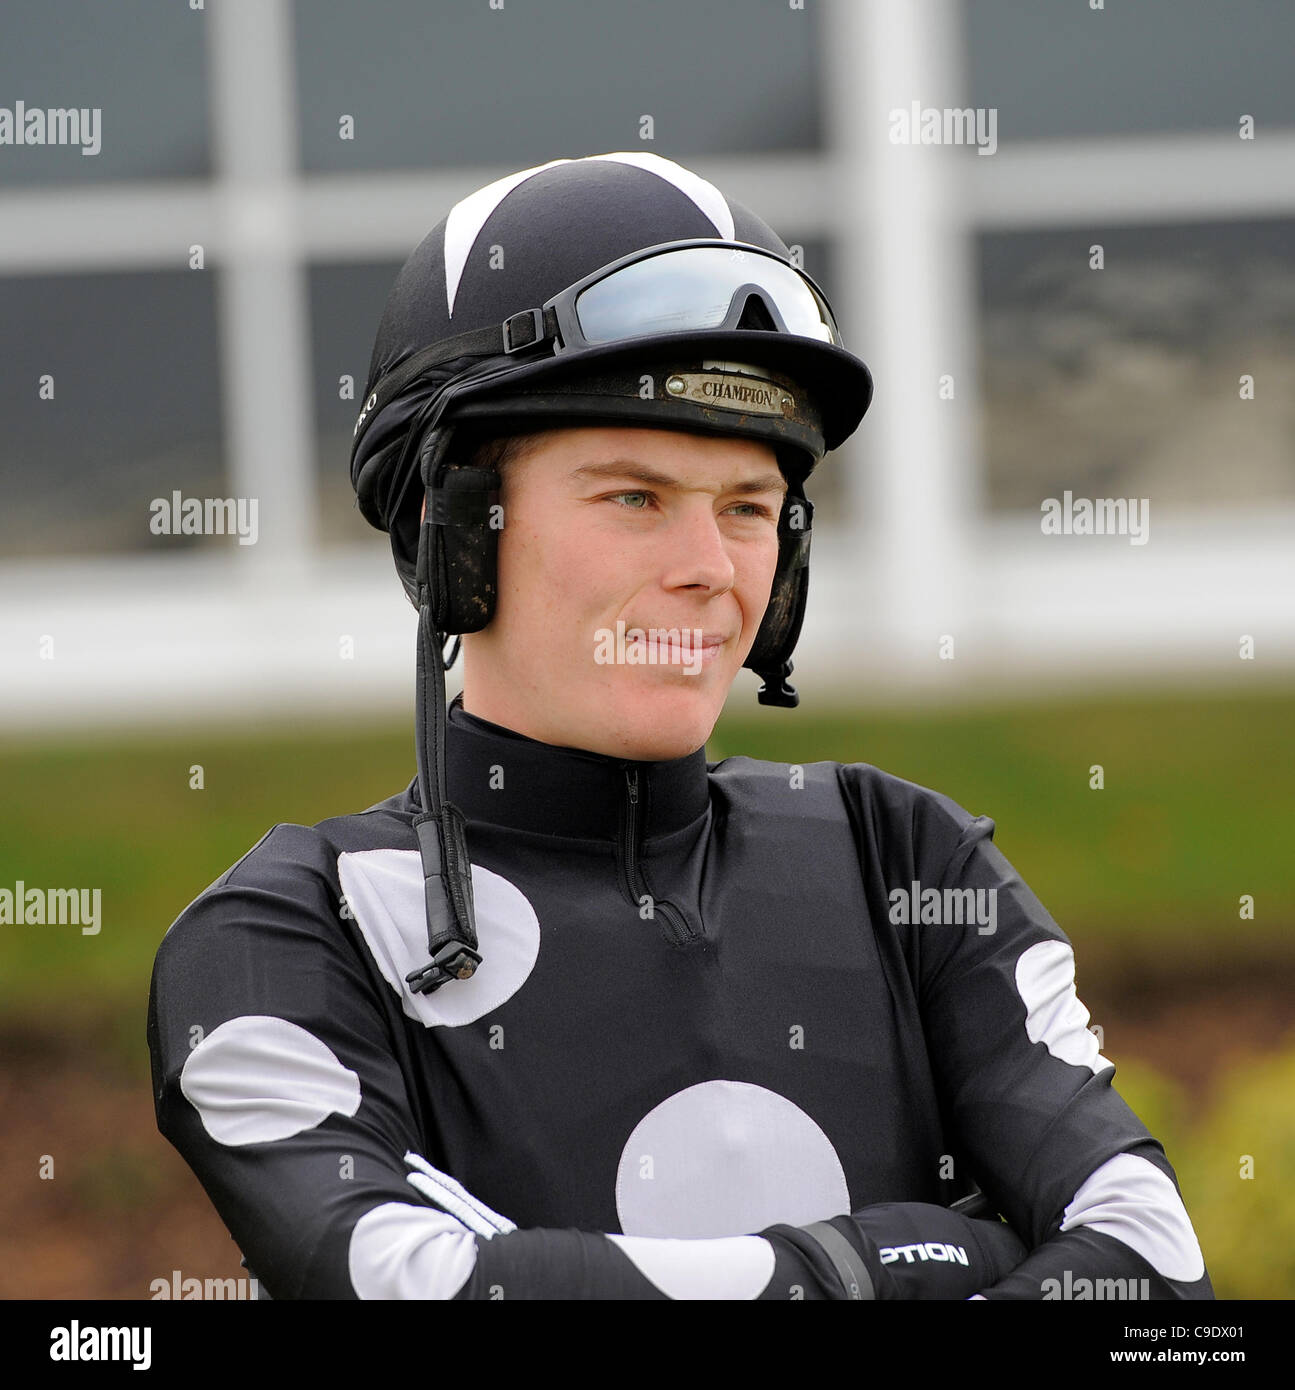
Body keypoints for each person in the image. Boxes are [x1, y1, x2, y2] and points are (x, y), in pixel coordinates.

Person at [147, 152, 1212, 1300]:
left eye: (747, 509)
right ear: (451, 533)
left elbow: (1147, 1262)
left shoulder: (904, 854)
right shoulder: (284, 933)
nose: (708, 570)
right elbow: (417, 1285)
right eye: (633, 497)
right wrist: (884, 1264)